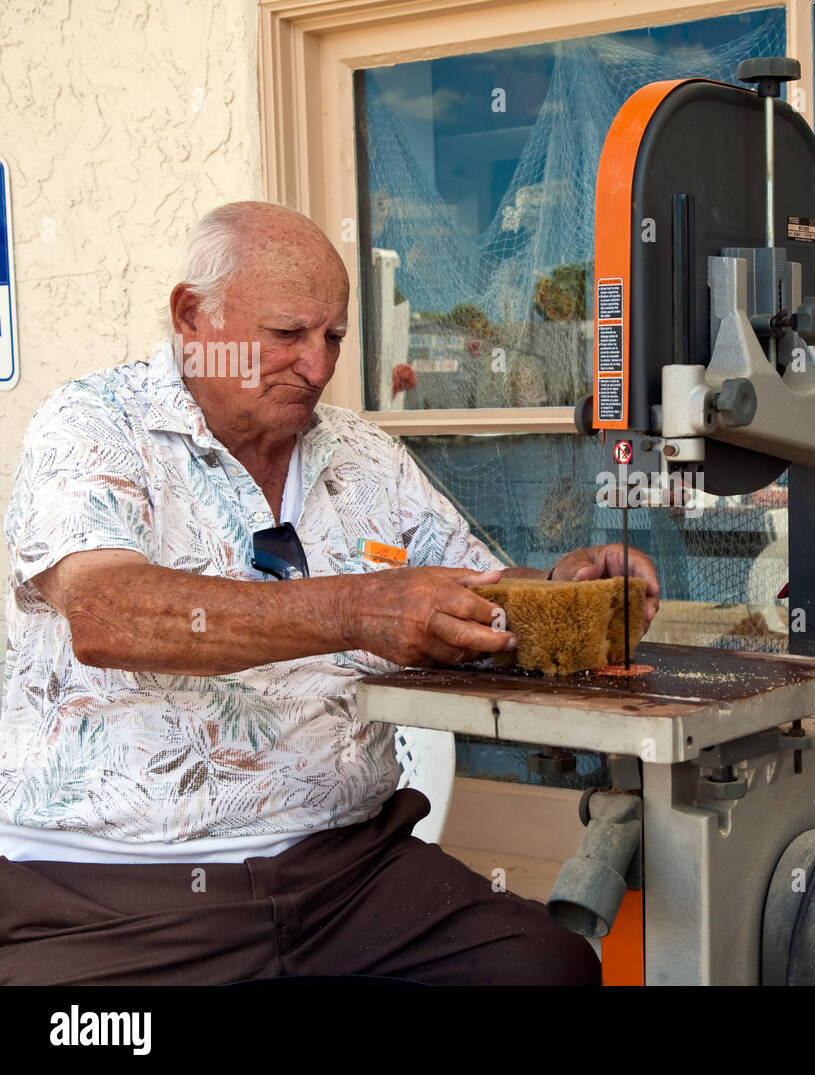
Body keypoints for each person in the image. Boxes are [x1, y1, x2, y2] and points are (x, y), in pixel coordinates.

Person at [0, 201, 660, 985]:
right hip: (116, 893)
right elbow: (109, 614)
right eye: (286, 335)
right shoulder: (96, 423)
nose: (317, 366)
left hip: (351, 869)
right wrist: (357, 608)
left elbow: (467, 585)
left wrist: (558, 587)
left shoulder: (358, 451)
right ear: (191, 316)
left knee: (546, 969)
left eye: (335, 337)